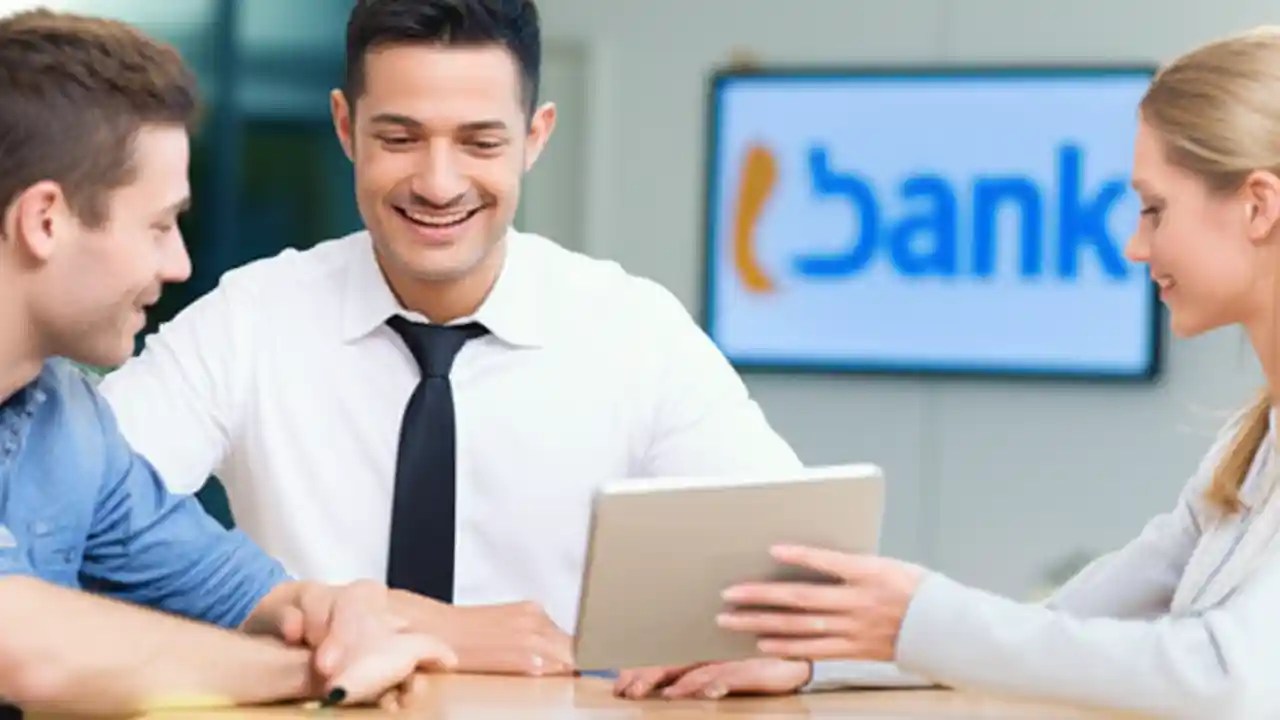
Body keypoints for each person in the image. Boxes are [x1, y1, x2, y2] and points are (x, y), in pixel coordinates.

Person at [97, 0, 802, 677]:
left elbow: (797, 573)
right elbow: (78, 522)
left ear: (535, 136)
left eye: (480, 142)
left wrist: (785, 654)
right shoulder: (248, 321)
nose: (438, 183)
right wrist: (395, 623)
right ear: (346, 127)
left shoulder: (635, 331)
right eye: (399, 138)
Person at [615, 25, 1280, 719]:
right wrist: (815, 656)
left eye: (1154, 209)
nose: (1134, 245)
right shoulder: (1250, 444)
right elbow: (1071, 625)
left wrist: (917, 616)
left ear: (1257, 206)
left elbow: (1232, 678)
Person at [0, 9, 456, 715]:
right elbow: (23, 646)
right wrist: (317, 677)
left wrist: (338, 614)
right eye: (158, 225)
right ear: (45, 220)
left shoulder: (71, 418)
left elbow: (244, 594)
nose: (179, 263)